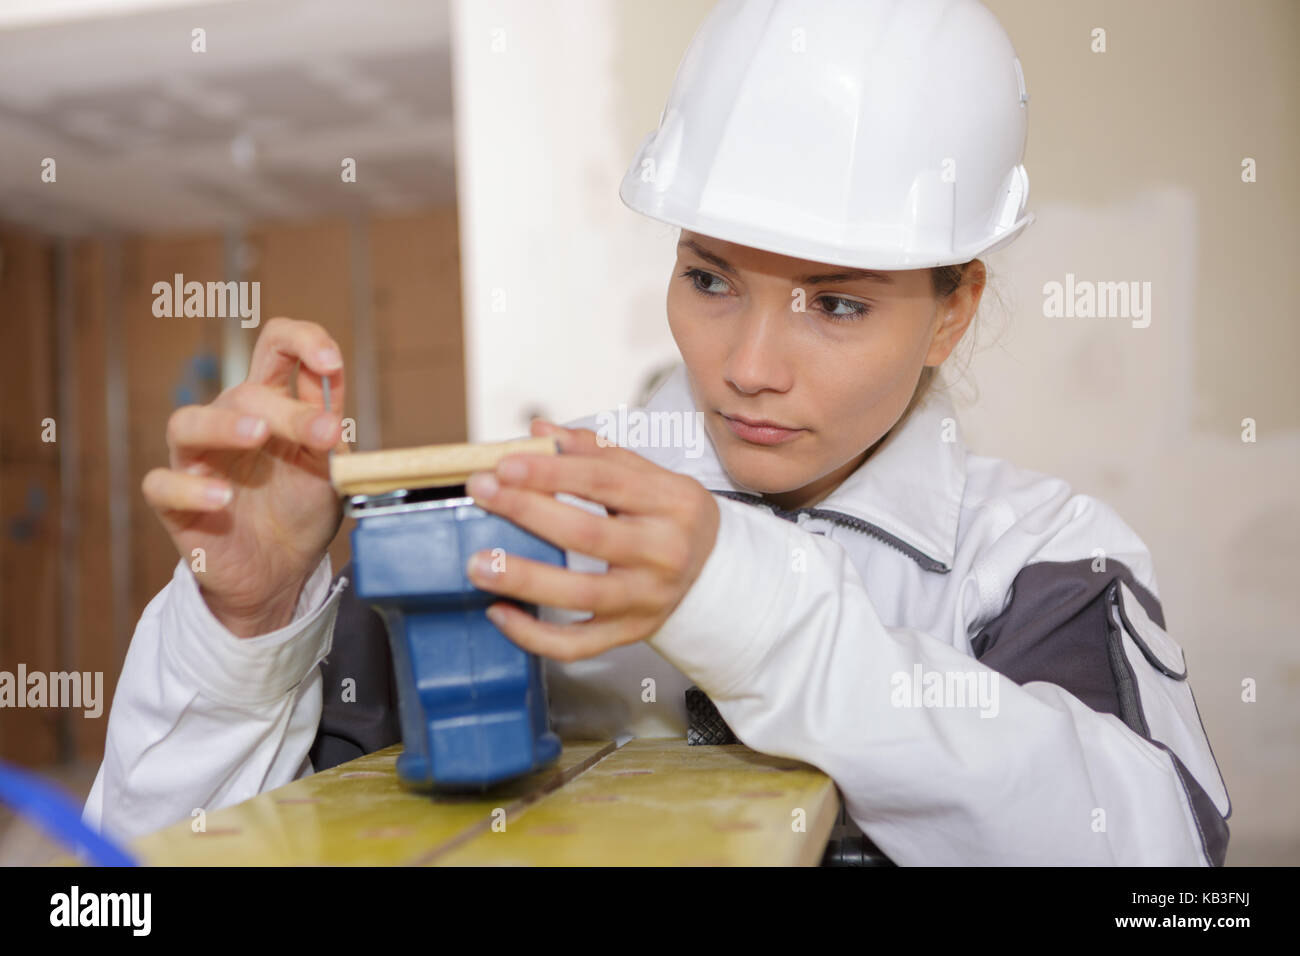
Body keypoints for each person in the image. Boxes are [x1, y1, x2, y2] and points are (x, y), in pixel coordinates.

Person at [82, 0, 1229, 864]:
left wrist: (756, 608)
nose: (747, 366)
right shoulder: (524, 512)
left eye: (837, 301)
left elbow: (1165, 863)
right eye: (710, 276)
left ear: (953, 310)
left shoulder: (1043, 560)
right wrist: (248, 626)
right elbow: (132, 879)